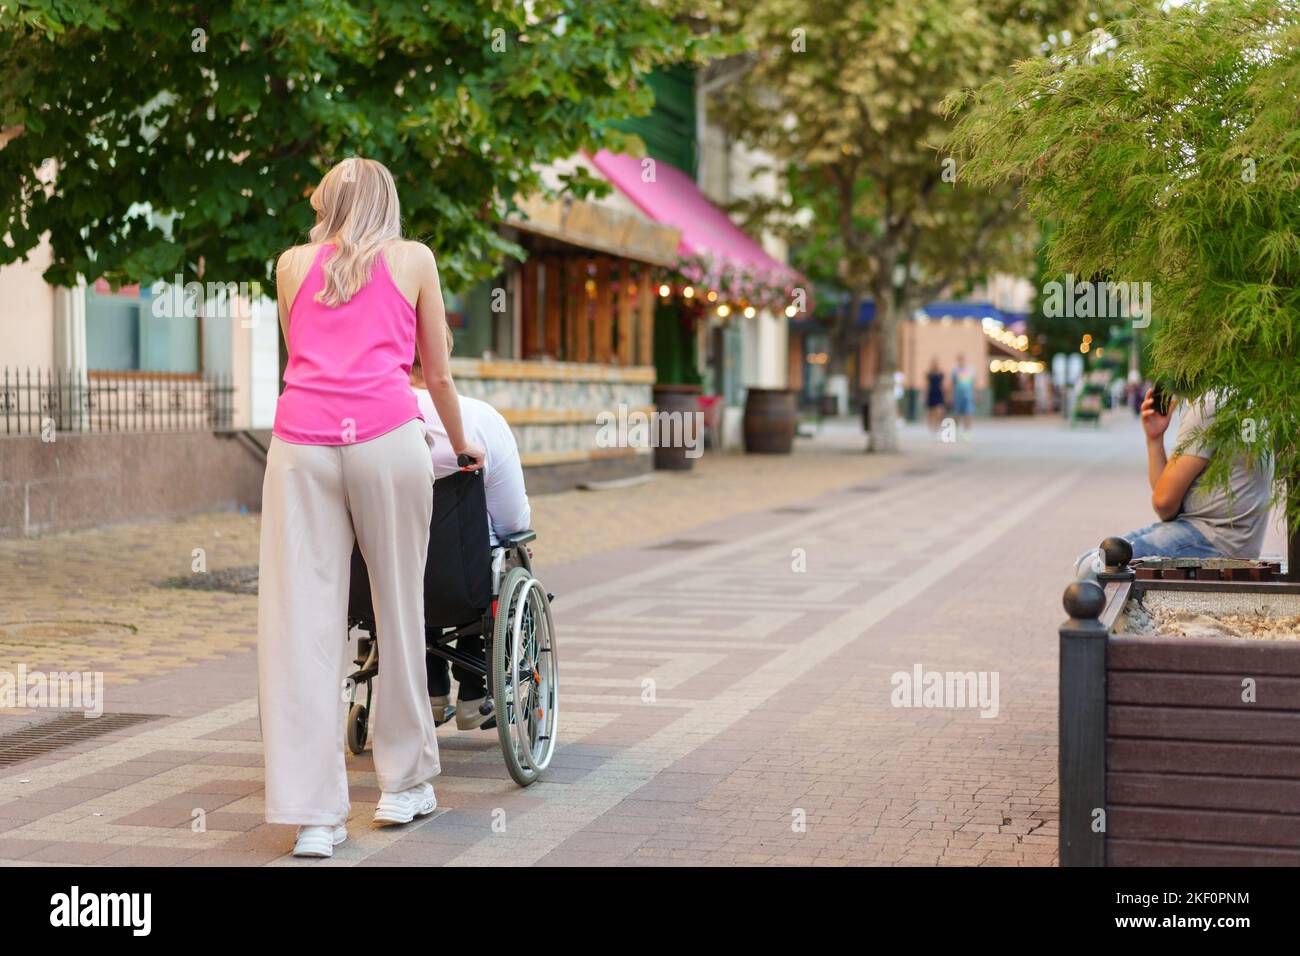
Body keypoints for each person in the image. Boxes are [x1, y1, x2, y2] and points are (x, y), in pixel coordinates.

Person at [258, 157, 485, 859]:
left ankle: (314, 818)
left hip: (301, 444)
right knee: (398, 607)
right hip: (386, 437)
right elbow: (436, 373)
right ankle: (402, 784)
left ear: (325, 199)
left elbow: (303, 359)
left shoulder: (290, 264)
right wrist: (462, 443)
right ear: (389, 199)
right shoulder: (415, 258)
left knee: (302, 623)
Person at [409, 345, 531, 730]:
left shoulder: (362, 418)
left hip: (383, 581)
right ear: (443, 350)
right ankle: (473, 689)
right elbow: (513, 519)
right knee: (501, 551)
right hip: (462, 579)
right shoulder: (480, 418)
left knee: (413, 556)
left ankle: (430, 688)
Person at [1076, 387, 1274, 577]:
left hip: (1213, 540)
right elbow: (1165, 502)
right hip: (1225, 536)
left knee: (1093, 567)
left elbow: (1164, 504)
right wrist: (1154, 438)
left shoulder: (1210, 405)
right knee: (1090, 559)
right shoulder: (1242, 397)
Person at [951, 354, 976, 438]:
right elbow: (952, 383)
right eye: (960, 359)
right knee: (957, 414)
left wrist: (976, 394)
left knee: (968, 414)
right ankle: (956, 431)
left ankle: (967, 432)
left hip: (968, 395)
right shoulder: (955, 370)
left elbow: (973, 383)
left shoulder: (970, 369)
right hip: (958, 395)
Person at [925, 358, 947, 433]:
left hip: (939, 394)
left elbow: (943, 385)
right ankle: (931, 428)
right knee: (931, 413)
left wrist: (946, 395)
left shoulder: (941, 374)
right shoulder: (929, 374)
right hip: (931, 394)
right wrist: (923, 395)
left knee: (939, 412)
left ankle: (937, 427)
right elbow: (926, 385)